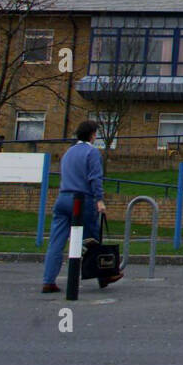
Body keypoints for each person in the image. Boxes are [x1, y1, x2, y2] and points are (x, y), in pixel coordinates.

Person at [41, 120, 122, 293]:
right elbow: (95, 178)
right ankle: (105, 275)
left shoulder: (68, 153)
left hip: (62, 198)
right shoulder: (92, 152)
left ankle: (48, 280)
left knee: (56, 241)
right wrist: (99, 199)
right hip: (82, 199)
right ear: (92, 134)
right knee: (92, 240)